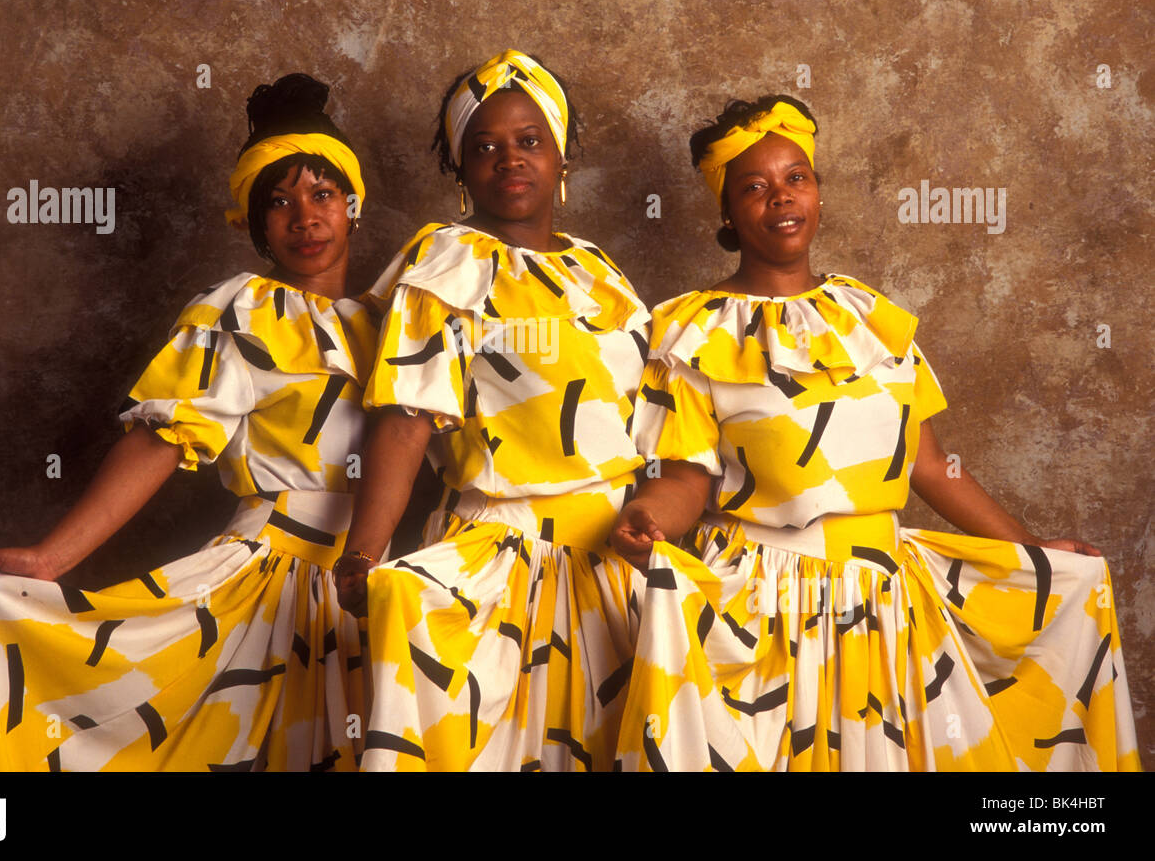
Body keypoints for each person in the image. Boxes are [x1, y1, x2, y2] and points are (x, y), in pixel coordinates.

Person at [609, 95, 1142, 771]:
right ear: (727, 212)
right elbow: (685, 479)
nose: (780, 198)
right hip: (764, 607)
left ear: (819, 193)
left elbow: (928, 462)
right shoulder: (692, 332)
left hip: (884, 601)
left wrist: (1029, 550)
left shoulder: (871, 318)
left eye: (796, 177)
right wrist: (647, 518)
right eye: (755, 187)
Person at [0, 74, 376, 771]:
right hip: (271, 580)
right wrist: (51, 558)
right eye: (279, 202)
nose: (304, 216)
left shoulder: (398, 321)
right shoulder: (243, 309)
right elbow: (161, 439)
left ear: (354, 205)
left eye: (322, 193)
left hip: (375, 584)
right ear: (255, 225)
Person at [334, 50, 651, 771]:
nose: (510, 159)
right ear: (459, 169)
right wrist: (365, 549)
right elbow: (407, 416)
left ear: (560, 154)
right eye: (484, 147)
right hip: (502, 557)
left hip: (613, 565)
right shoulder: (447, 262)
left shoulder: (601, 274)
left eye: (529, 141)